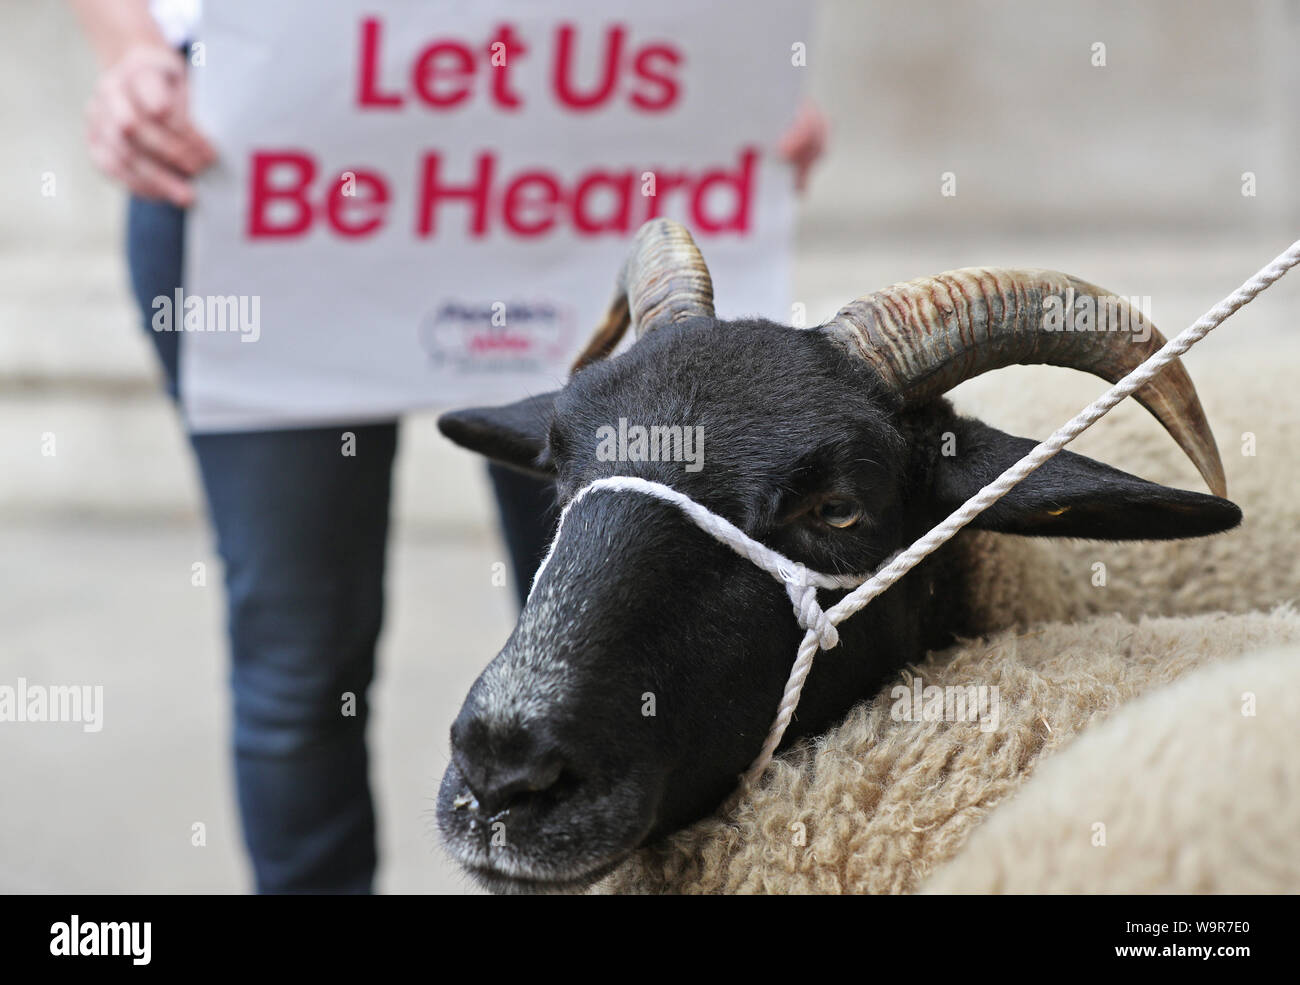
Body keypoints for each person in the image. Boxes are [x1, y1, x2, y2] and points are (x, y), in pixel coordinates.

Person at [71, 0, 826, 892]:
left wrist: (738, 71)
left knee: (626, 617)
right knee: (299, 659)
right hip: (261, 167)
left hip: (590, 148)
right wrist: (131, 52)